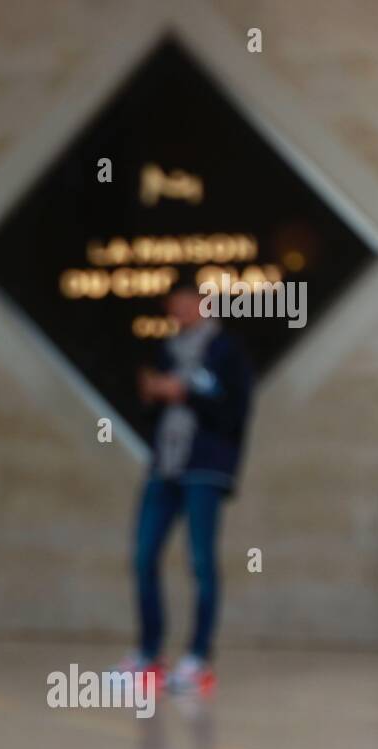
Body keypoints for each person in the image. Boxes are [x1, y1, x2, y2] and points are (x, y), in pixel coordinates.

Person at [116, 278, 253, 694]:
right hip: (165, 465)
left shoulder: (226, 351)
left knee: (200, 560)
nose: (179, 311)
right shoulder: (166, 351)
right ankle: (149, 655)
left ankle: (197, 658)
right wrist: (153, 394)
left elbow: (233, 413)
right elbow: (152, 414)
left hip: (205, 468)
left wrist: (185, 393)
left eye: (186, 303)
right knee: (142, 556)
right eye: (173, 304)